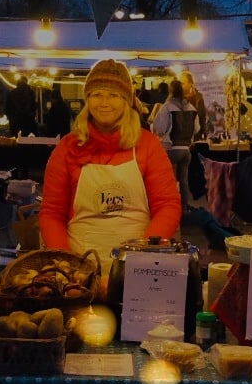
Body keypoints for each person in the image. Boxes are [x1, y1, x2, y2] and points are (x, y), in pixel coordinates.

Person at [40, 58, 181, 259]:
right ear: (87, 100)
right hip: (80, 267)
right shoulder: (67, 148)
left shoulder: (148, 145)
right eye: (97, 94)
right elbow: (52, 213)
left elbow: (167, 206)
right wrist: (67, 265)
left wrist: (142, 257)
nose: (104, 103)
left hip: (137, 264)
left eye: (114, 95)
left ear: (126, 100)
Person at [152, 77, 202, 206]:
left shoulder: (167, 107)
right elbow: (197, 129)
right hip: (186, 151)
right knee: (183, 180)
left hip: (171, 149)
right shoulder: (191, 107)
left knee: (170, 180)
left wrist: (156, 130)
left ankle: (171, 206)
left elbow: (159, 128)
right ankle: (186, 206)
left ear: (171, 91)